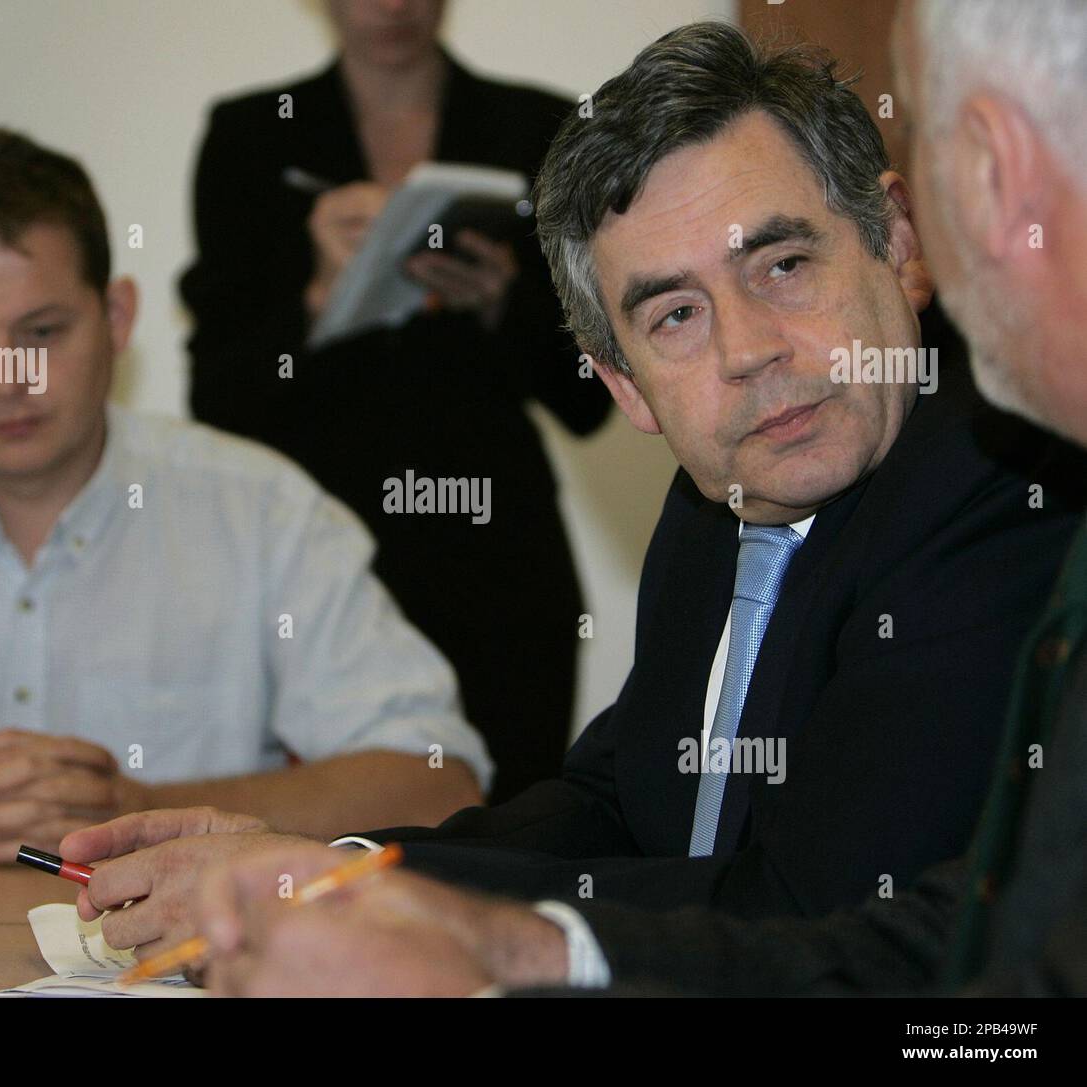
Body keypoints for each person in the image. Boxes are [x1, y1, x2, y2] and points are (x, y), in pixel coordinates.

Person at [59, 21, 1085, 967]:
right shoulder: (712, 508)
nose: (749, 352)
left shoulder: (993, 482)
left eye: (781, 264)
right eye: (676, 315)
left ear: (898, 243)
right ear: (626, 387)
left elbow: (803, 905)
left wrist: (431, 914)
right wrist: (335, 861)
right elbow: (615, 799)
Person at [0, 128, 491, 864]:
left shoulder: (263, 512)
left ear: (117, 317)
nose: (4, 377)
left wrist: (147, 812)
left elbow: (436, 781)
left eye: (42, 331)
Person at [179, 0, 611, 802]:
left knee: (512, 845)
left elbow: (593, 399)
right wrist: (316, 294)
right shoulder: (252, 137)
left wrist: (502, 303)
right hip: (317, 567)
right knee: (314, 856)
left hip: (500, 568)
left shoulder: (536, 127)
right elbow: (218, 400)